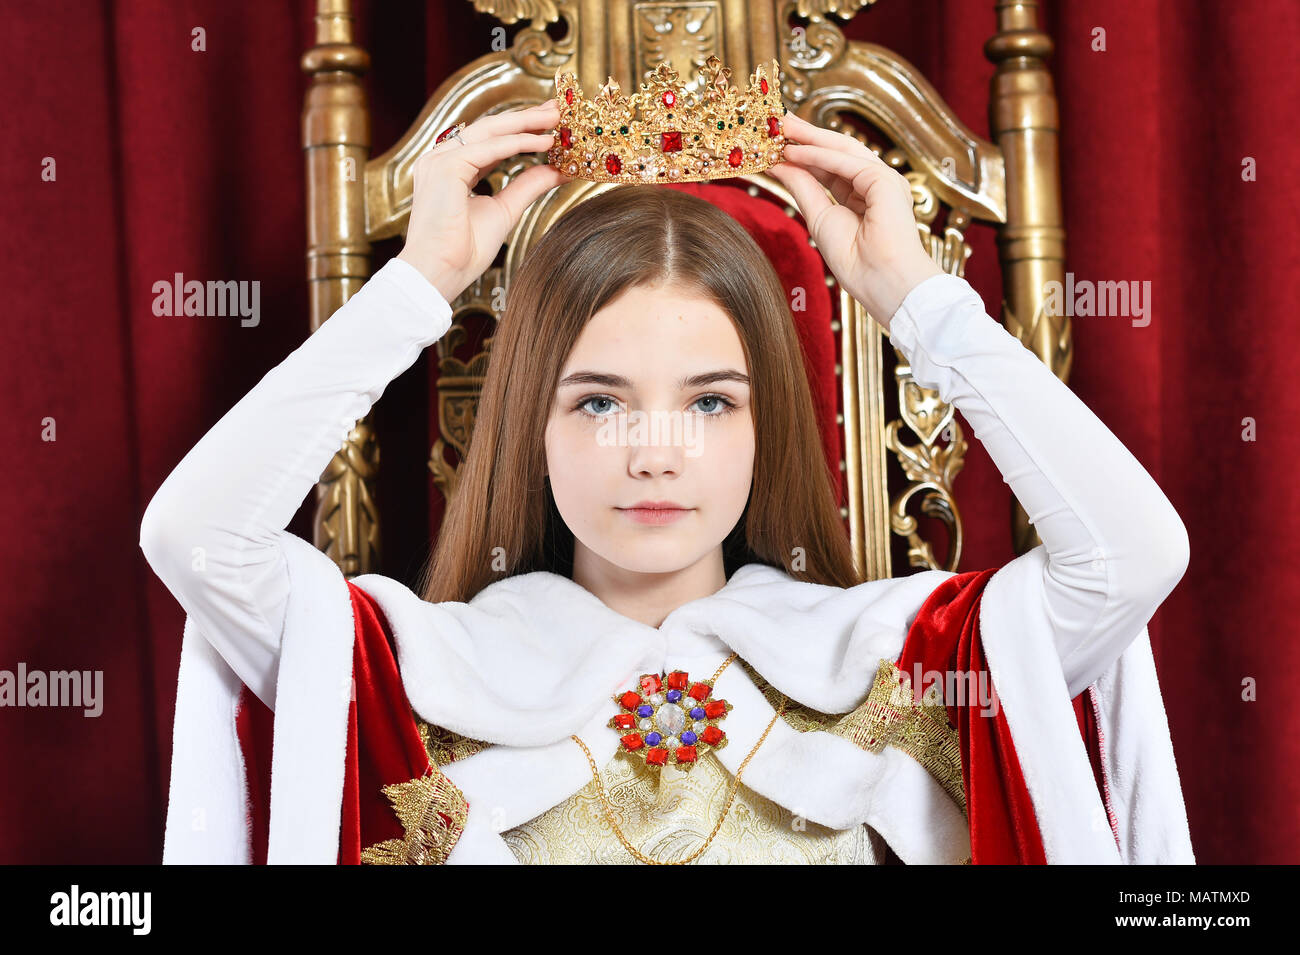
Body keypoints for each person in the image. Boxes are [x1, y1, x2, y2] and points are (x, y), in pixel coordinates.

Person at [140, 98, 1194, 865]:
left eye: (708, 402)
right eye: (598, 400)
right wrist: (419, 287)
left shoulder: (896, 664)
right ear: (528, 426)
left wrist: (915, 299)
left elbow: (1133, 555)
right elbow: (195, 537)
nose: (655, 451)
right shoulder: (413, 679)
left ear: (763, 427)